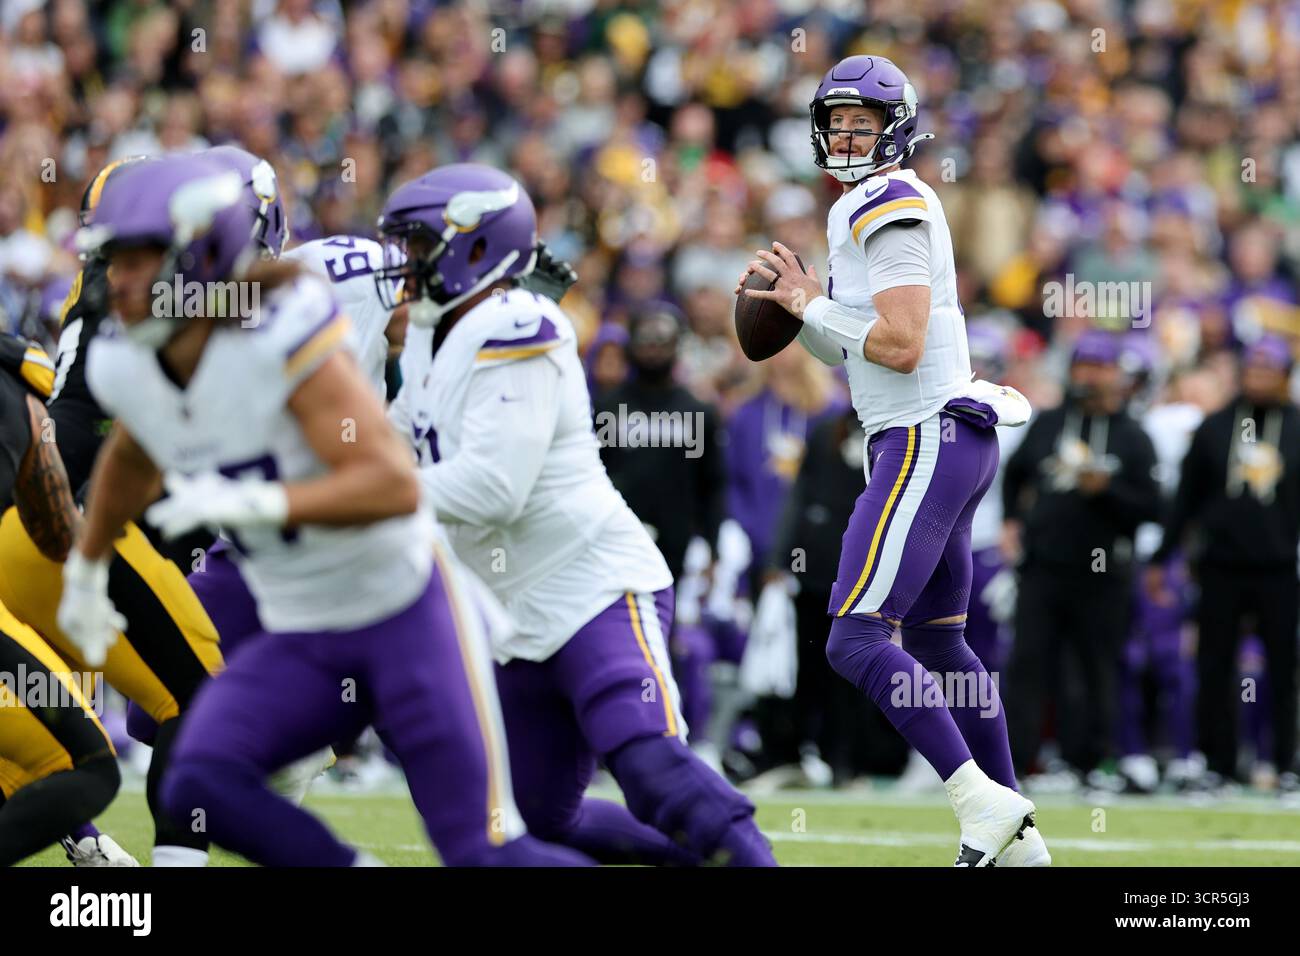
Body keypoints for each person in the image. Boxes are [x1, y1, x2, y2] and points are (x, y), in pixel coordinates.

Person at [57, 153, 586, 867]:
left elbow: (393, 484)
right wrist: (88, 565)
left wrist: (259, 499)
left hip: (400, 608)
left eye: (137, 260)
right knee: (196, 778)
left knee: (482, 845)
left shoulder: (290, 320)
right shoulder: (127, 349)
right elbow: (130, 450)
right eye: (110, 258)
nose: (115, 282)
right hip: (297, 619)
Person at [377, 163, 776, 866]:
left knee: (651, 769)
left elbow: (493, 489)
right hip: (505, 614)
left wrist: (365, 492)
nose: (404, 265)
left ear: (472, 247)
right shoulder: (421, 340)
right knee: (531, 823)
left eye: (417, 246)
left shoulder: (519, 323)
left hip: (588, 584)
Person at [737, 54, 1044, 866]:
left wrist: (807, 300)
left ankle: (980, 802)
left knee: (854, 638)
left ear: (894, 130)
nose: (844, 135)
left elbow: (901, 347)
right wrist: (801, 313)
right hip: (941, 436)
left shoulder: (889, 198)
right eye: (836, 121)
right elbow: (856, 352)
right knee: (942, 646)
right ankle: (1020, 840)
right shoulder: (862, 204)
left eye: (860, 123)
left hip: (923, 434)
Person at [1002, 329, 1161, 783]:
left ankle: (1092, 762)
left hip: (1104, 571)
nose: (1088, 377)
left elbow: (1152, 507)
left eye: (1098, 368)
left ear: (1116, 374)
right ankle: (1018, 764)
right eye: (1082, 367)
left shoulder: (1133, 436)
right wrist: (1013, 520)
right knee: (1029, 665)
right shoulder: (1050, 422)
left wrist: (1106, 491)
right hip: (1044, 567)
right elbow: (1015, 474)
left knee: (1097, 669)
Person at [1148, 334, 1300, 791]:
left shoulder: (1296, 427)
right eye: (1252, 371)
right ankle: (1218, 762)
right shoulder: (1215, 427)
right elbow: (1185, 501)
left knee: (1282, 665)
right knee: (1214, 665)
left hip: (1278, 566)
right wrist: (1162, 557)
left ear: (1285, 378)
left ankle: (1284, 762)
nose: (1258, 380)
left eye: (1267, 373)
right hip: (1219, 565)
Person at [0, 333, 120, 866]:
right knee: (84, 762)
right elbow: (57, 535)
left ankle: (82, 835)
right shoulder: (21, 396)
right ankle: (83, 834)